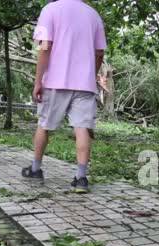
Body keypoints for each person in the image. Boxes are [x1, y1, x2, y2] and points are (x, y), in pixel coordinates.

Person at [22, 0, 107, 193]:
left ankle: (35, 169)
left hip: (55, 82)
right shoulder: (93, 15)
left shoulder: (50, 10)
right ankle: (81, 177)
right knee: (82, 128)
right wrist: (89, 75)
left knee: (44, 125)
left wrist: (37, 82)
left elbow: (45, 47)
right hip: (84, 85)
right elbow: (100, 52)